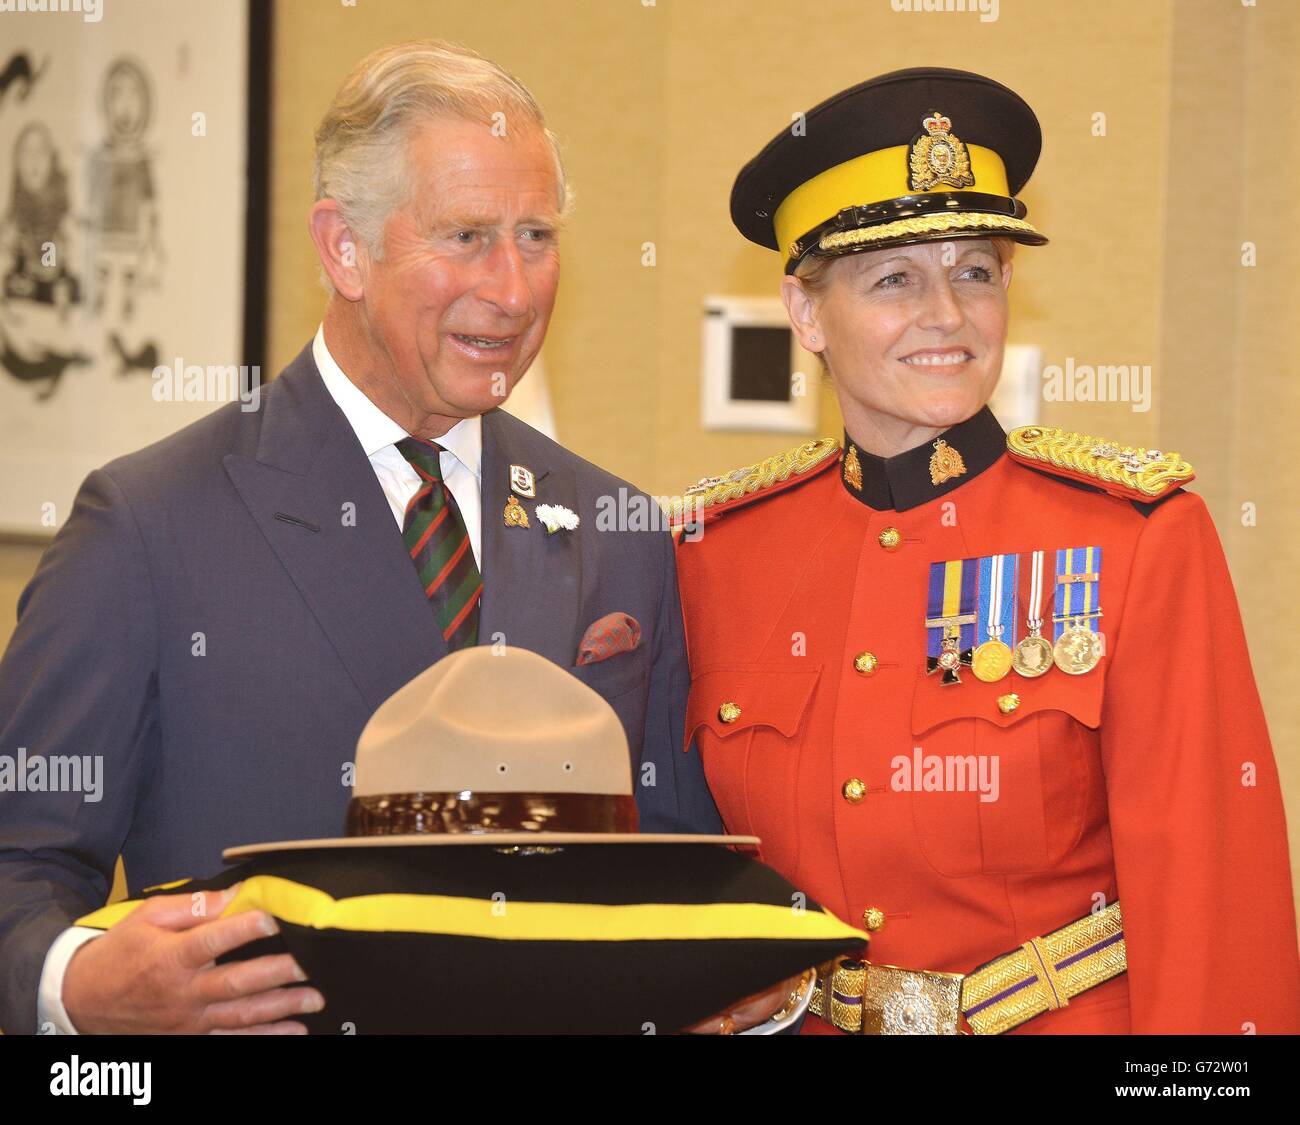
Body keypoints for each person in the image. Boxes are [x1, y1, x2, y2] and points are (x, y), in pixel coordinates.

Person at [0, 39, 718, 1036]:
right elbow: (19, 864)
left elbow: (681, 868)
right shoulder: (149, 527)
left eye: (537, 235)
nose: (513, 289)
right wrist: (78, 988)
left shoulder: (619, 530)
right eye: (466, 236)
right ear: (344, 247)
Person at [668, 67, 1300, 1034]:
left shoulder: (1133, 535)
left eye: (976, 270)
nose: (948, 315)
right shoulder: (718, 554)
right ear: (805, 313)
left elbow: (1212, 899)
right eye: (894, 279)